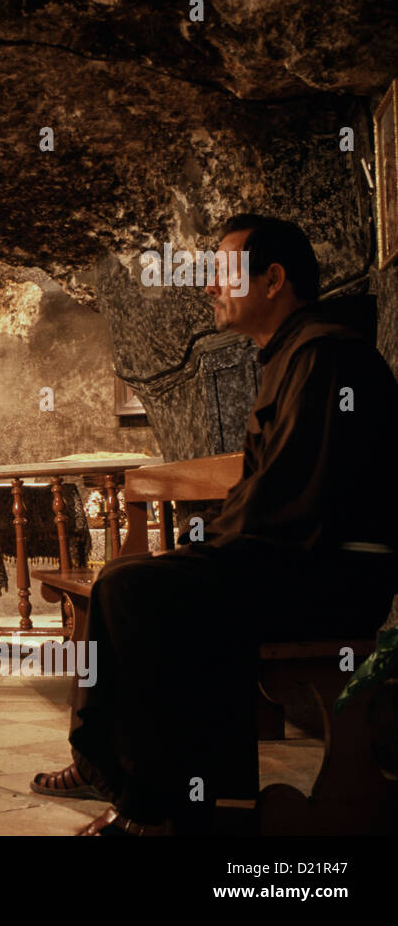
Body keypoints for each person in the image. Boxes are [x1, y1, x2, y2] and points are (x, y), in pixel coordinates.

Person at [31, 214, 398, 835]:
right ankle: (150, 785)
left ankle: (152, 807)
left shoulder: (327, 356)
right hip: (300, 558)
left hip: (337, 572)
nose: (209, 288)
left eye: (224, 273)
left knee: (133, 588)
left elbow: (295, 495)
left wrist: (207, 549)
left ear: (274, 278)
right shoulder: (292, 355)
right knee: (129, 579)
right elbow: (273, 490)